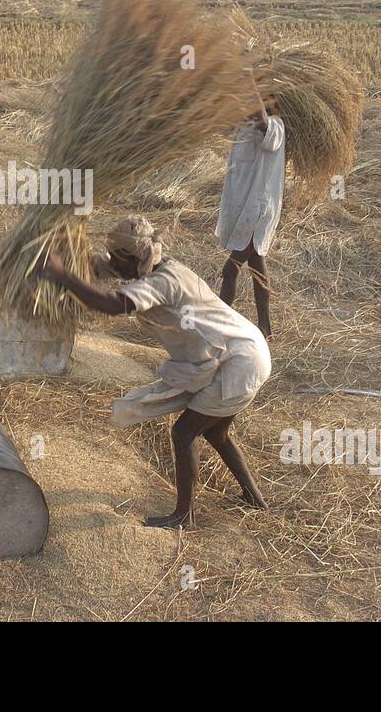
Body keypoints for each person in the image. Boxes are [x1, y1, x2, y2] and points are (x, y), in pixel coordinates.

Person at [42, 216, 271, 528]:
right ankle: (254, 497)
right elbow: (103, 270)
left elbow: (115, 304)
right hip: (247, 346)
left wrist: (62, 277)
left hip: (238, 362)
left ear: (129, 257)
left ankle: (183, 514)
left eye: (115, 256)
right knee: (216, 433)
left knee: (184, 433)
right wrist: (65, 251)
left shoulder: (163, 282)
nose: (111, 261)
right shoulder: (155, 265)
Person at [216, 100, 285, 339]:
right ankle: (265, 328)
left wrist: (247, 81)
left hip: (258, 210)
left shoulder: (275, 127)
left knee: (230, 269)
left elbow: (262, 121)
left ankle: (220, 328)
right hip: (244, 209)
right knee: (257, 264)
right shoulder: (243, 128)